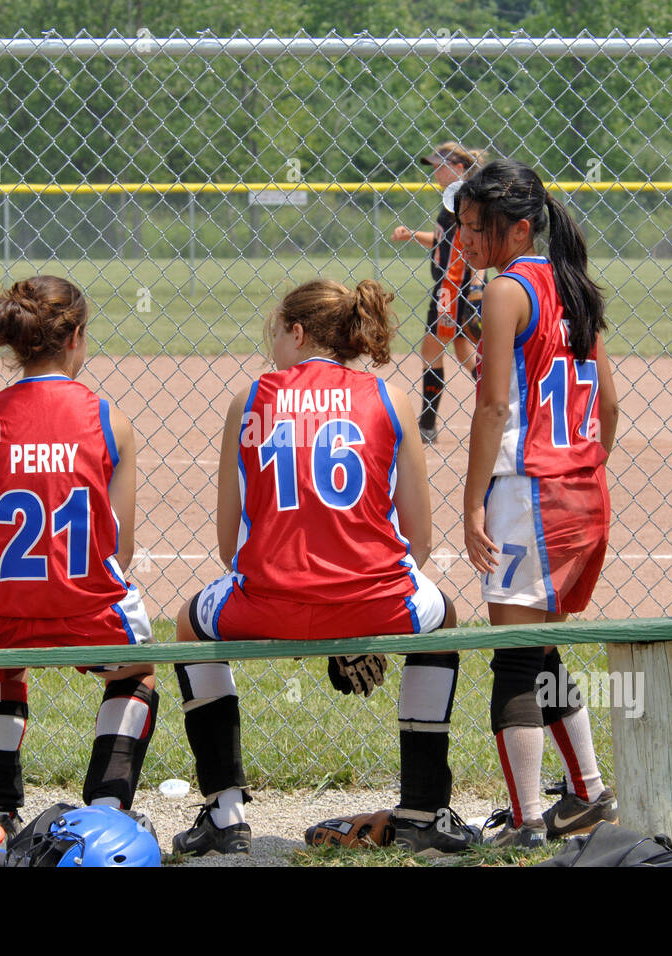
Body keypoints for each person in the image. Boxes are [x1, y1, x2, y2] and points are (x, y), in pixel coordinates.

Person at [170, 278, 477, 857]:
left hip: (265, 599)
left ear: (298, 331)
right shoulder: (390, 398)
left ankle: (225, 812)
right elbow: (421, 540)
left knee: (189, 627)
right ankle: (421, 809)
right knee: (445, 618)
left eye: (277, 332)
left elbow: (227, 544)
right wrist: (355, 616)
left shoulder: (252, 397)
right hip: (377, 597)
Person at [0, 275, 157, 841]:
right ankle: (107, 806)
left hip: (3, 614)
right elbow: (122, 548)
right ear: (75, 339)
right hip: (90, 612)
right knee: (137, 670)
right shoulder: (106, 417)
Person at [457, 159, 621, 848]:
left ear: (519, 227)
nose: (464, 240)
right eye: (460, 227)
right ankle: (586, 794)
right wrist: (582, 465)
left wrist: (471, 504)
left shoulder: (506, 291)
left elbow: (494, 405)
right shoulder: (573, 286)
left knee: (515, 657)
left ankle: (526, 823)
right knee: (541, 647)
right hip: (581, 489)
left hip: (528, 491)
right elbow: (609, 404)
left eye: (476, 228)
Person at [390, 140, 486, 444]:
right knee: (463, 351)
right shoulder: (455, 199)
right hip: (452, 285)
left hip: (453, 286)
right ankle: (506, 399)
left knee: (431, 351)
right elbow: (444, 241)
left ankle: (427, 425)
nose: (435, 171)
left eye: (440, 166)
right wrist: (412, 235)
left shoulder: (467, 200)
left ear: (458, 168)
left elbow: (478, 241)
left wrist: (477, 283)